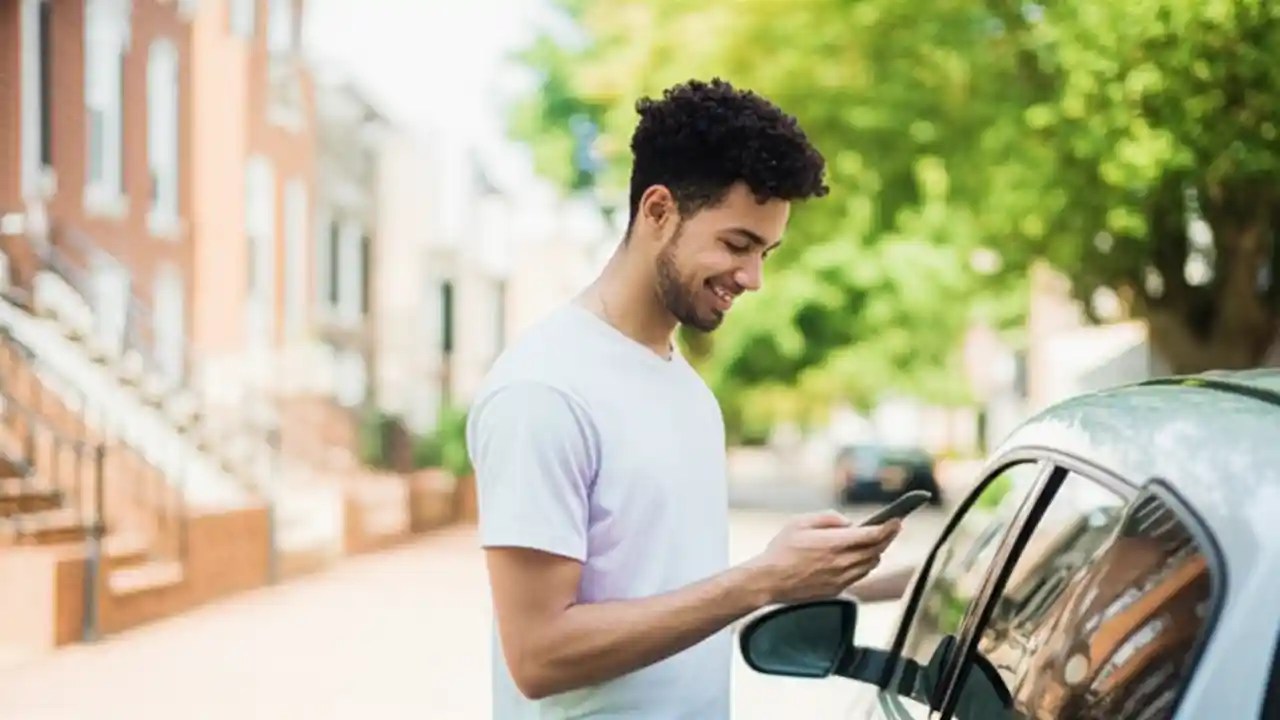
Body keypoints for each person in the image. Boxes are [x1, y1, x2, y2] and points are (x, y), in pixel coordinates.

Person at [468, 78, 908, 719]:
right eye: (737, 244)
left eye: (765, 252)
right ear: (657, 211)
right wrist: (758, 579)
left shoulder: (687, 390)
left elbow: (677, 607)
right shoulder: (544, 391)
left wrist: (901, 580)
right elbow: (538, 657)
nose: (753, 278)